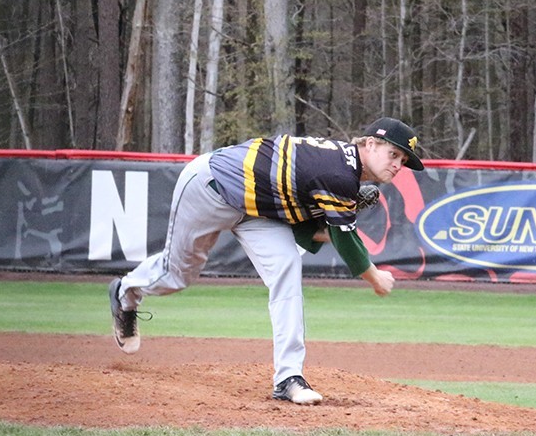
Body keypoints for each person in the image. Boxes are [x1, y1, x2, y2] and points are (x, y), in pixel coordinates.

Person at [108, 117, 424, 404]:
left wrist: (330, 222)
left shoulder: (342, 170)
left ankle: (288, 378)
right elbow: (345, 240)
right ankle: (126, 292)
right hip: (212, 187)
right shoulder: (340, 173)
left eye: (403, 161)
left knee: (287, 266)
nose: (397, 165)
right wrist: (374, 277)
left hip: (256, 210)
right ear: (369, 144)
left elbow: (307, 230)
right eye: (393, 154)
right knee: (177, 275)